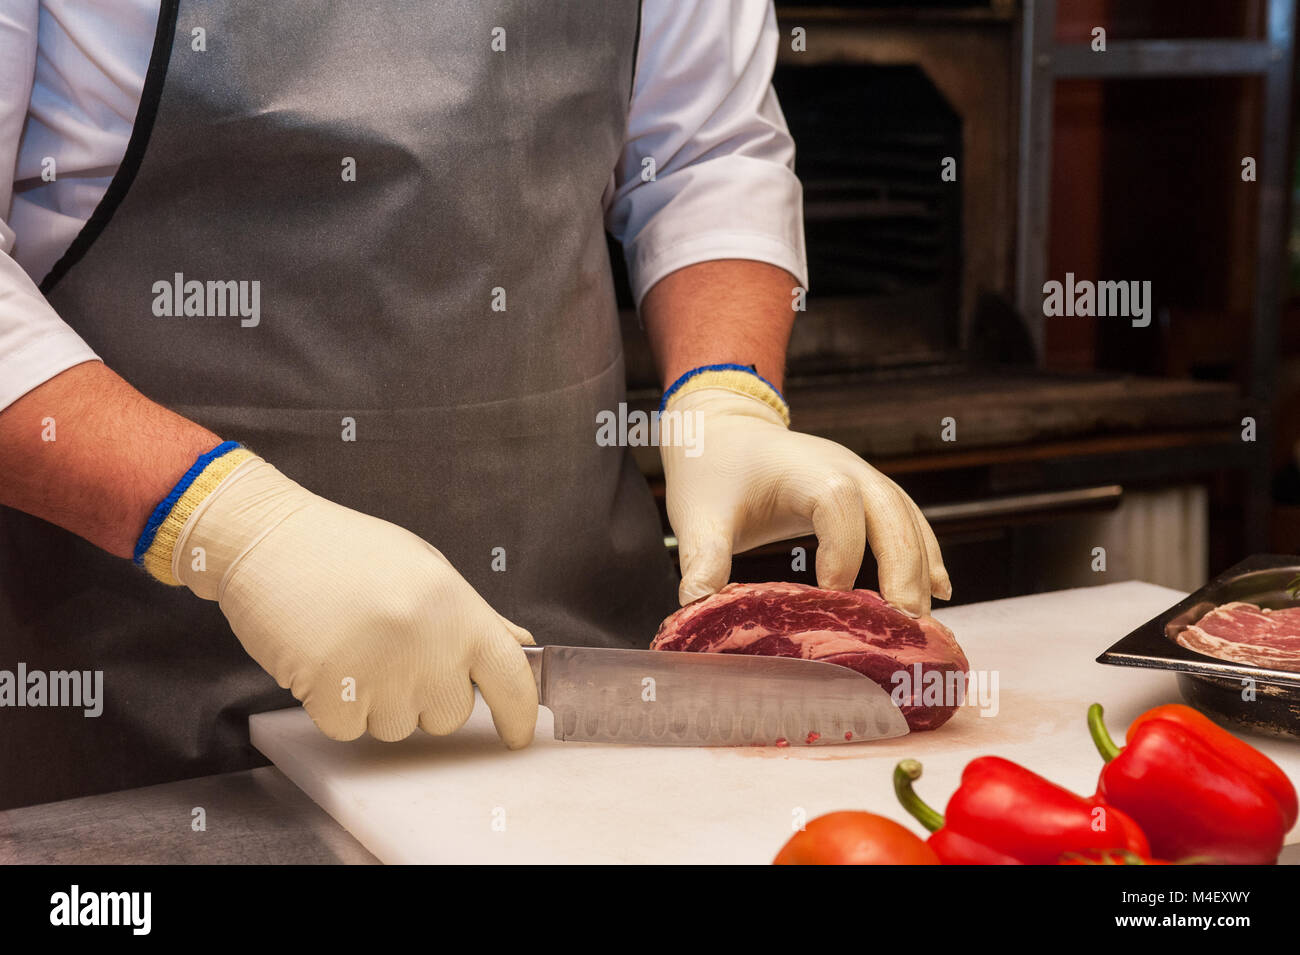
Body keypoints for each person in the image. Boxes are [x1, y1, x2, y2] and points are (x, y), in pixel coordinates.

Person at [0, 0, 948, 808]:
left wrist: (726, 396)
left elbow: (707, 154)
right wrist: (230, 526)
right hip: (146, 718)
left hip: (569, 716)